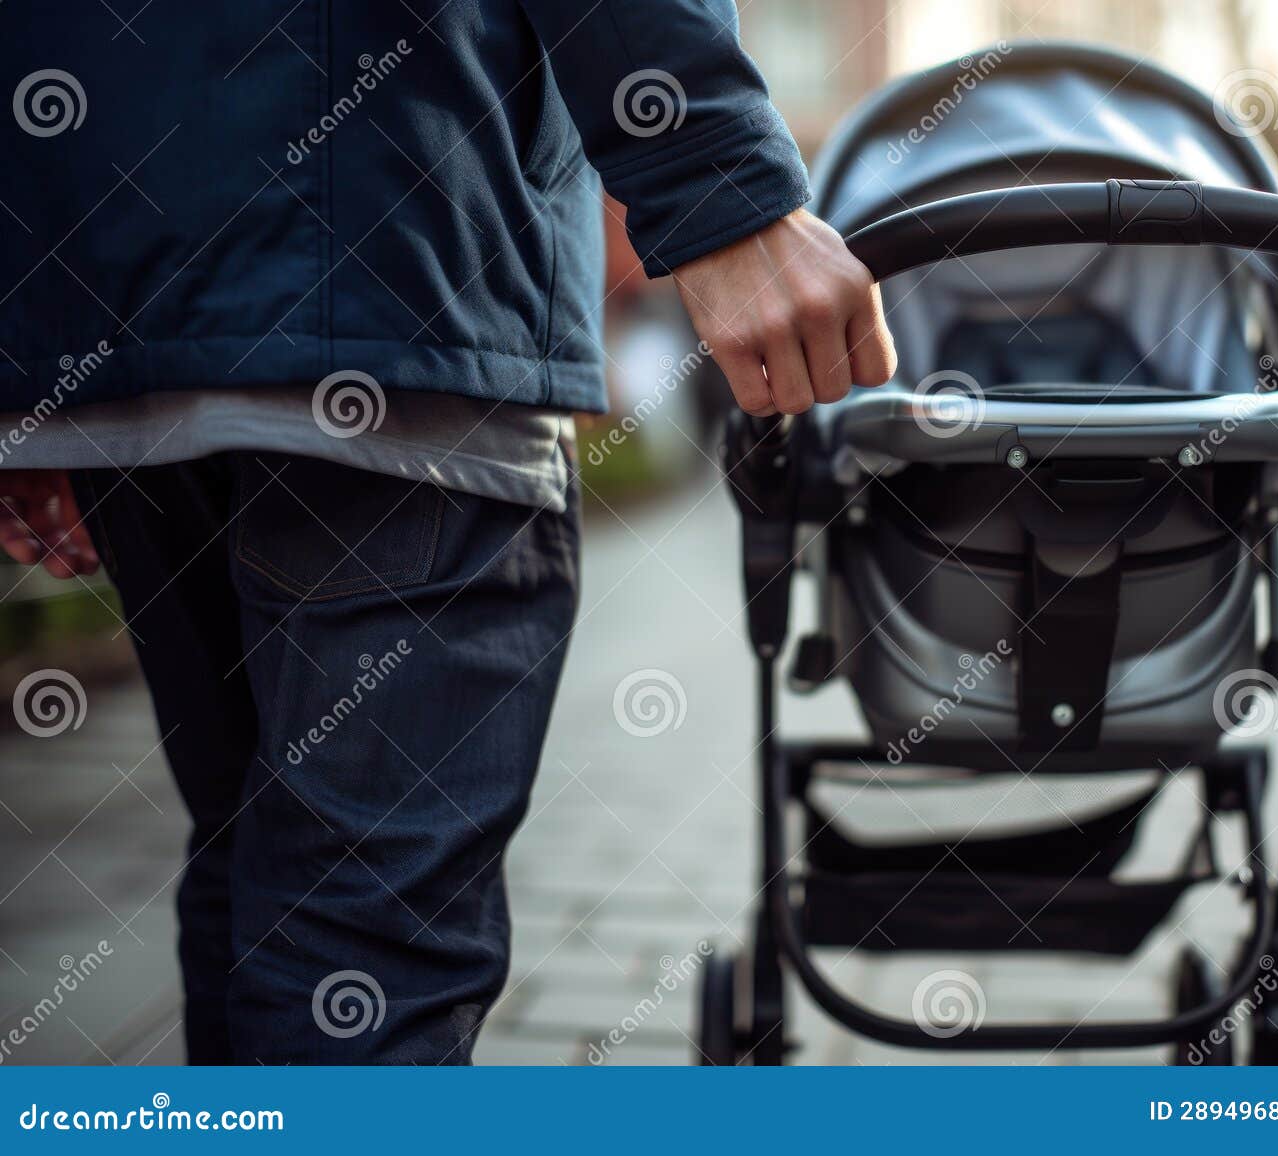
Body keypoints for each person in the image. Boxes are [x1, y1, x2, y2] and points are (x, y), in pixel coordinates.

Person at [0, 2, 894, 1064]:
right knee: (360, 937)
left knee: (247, 869)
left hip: (119, 312)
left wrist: (23, 366)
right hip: (406, 274)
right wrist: (725, 189)